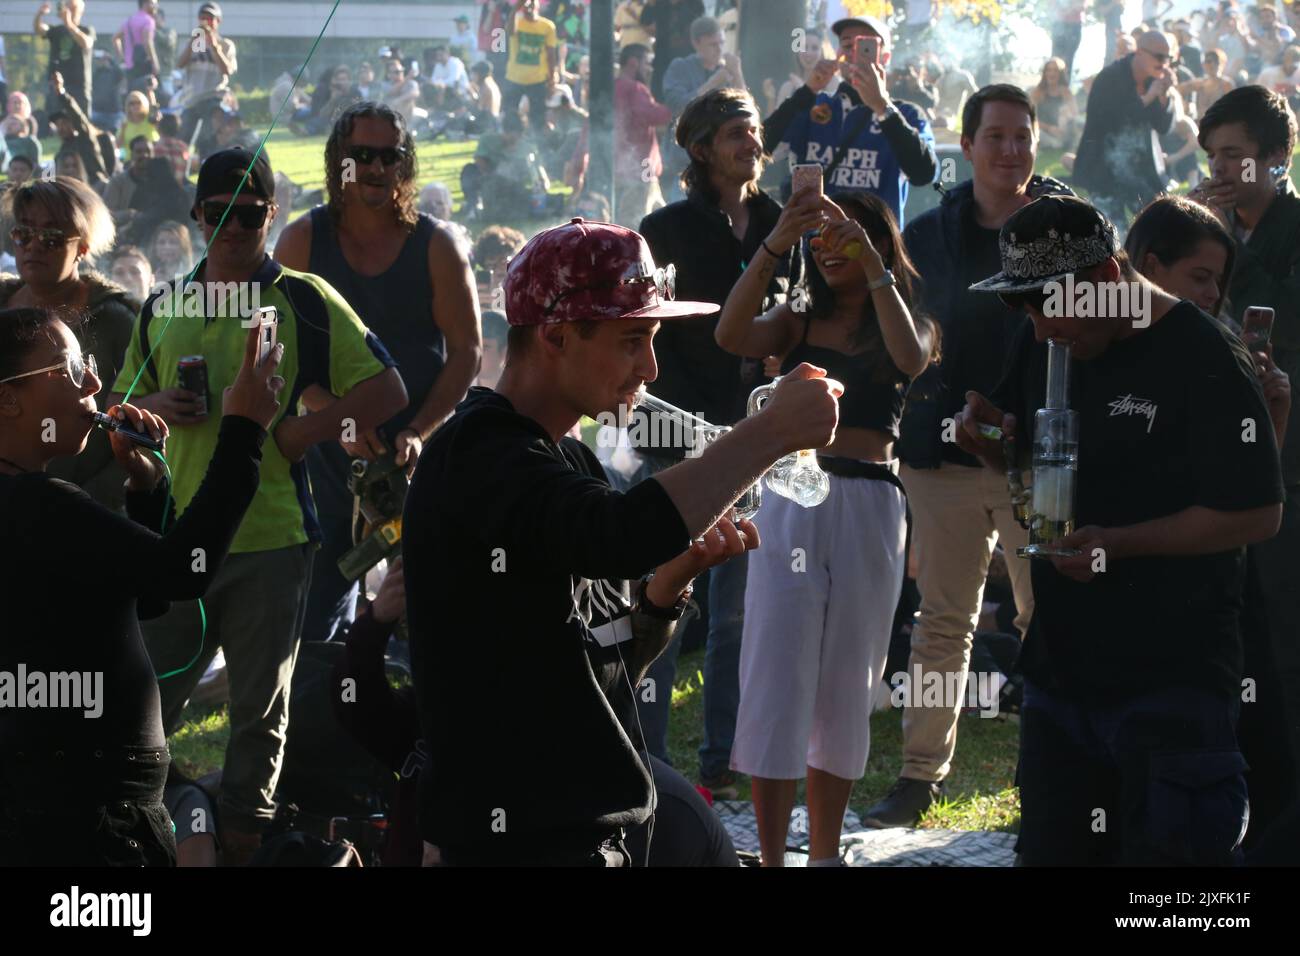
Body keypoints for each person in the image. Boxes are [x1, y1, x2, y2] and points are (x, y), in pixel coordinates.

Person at [402, 215, 841, 865]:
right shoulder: (477, 455)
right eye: (633, 339)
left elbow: (600, 671)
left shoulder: (568, 464)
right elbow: (621, 535)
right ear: (554, 336)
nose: (652, 367)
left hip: (584, 823)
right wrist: (770, 433)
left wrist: (663, 594)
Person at [957, 195, 1283, 865]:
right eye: (1023, 307)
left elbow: (1256, 511)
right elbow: (1035, 474)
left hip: (1172, 686)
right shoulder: (1046, 339)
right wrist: (992, 445)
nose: (1040, 327)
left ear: (1109, 282)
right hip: (1061, 676)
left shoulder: (1204, 354)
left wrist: (1120, 543)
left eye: (1047, 305)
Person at [106, 146, 408, 864]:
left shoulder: (303, 297)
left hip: (273, 538)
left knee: (258, 712)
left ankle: (239, 841)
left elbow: (389, 390)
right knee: (146, 692)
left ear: (271, 215)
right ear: (197, 217)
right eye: (220, 214)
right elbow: (116, 409)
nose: (234, 228)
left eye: (250, 214)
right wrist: (151, 408)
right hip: (178, 538)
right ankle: (145, 820)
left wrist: (303, 431)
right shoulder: (164, 303)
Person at [0, 308, 286, 866]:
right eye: (70, 368)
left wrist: (147, 489)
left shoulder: (29, 503)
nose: (94, 382)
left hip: (55, 800)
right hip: (87, 821)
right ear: (8, 398)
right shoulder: (39, 505)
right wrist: (245, 430)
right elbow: (186, 570)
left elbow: (146, 594)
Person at [867, 85, 1068, 828]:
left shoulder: (1067, 229)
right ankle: (920, 774)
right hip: (940, 454)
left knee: (1045, 616)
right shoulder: (928, 235)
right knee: (940, 623)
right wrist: (949, 409)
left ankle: (1054, 773)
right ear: (967, 144)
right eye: (996, 137)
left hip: (1034, 457)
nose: (1010, 150)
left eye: (1022, 136)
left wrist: (1011, 420)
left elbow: (1088, 335)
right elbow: (906, 339)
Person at [717, 189, 934, 864]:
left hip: (871, 501)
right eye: (822, 238)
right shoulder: (798, 315)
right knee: (777, 669)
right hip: (794, 493)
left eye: (846, 235)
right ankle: (776, 856)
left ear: (874, 242)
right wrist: (777, 241)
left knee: (849, 679)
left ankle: (826, 855)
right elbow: (730, 333)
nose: (829, 247)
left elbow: (910, 359)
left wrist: (873, 266)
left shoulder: (903, 312)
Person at [633, 87, 803, 792]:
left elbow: (797, 312)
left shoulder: (779, 220)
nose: (752, 145)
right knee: (661, 593)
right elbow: (650, 327)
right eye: (736, 133)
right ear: (700, 148)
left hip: (752, 432)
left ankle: (725, 760)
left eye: (756, 132)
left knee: (737, 608)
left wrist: (777, 358)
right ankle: (645, 757)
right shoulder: (664, 227)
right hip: (675, 432)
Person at [275, 102, 481, 645]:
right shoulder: (301, 242)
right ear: (337, 162)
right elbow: (277, 352)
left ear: (405, 165)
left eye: (390, 156)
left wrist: (420, 430)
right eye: (361, 155)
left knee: (437, 601)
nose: (374, 168)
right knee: (318, 604)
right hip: (328, 453)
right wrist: (333, 414)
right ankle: (323, 709)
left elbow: (467, 352)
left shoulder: (438, 245)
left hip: (420, 452)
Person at [1189, 83, 1300, 833]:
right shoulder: (1208, 236)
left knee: (1286, 654)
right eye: (1213, 157)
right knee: (1234, 657)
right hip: (1222, 478)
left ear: (1276, 158)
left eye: (1237, 156)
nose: (1223, 170)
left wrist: (1225, 247)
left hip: (1292, 477)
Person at [0, 178, 136, 512]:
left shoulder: (118, 320)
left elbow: (132, 427)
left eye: (51, 237)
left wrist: (85, 504)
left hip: (88, 513)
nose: (33, 245)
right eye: (23, 233)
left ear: (83, 248)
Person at [763, 14, 937, 228]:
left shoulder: (906, 114)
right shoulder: (812, 106)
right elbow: (760, 147)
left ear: (885, 57)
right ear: (837, 55)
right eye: (846, 45)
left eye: (865, 46)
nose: (854, 54)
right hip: (814, 247)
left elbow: (924, 174)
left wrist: (882, 107)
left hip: (875, 253)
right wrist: (807, 91)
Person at [1072, 29, 1178, 221]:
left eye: (1168, 58)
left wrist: (1164, 96)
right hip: (1104, 168)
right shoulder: (1110, 77)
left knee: (1157, 225)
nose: (1164, 63)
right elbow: (1111, 122)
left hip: (1140, 170)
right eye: (1159, 56)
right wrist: (1148, 97)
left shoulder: (1155, 80)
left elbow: (1164, 128)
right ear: (1139, 52)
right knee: (1112, 232)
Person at [660, 17, 744, 196]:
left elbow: (745, 110)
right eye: (713, 44)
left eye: (721, 42)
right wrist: (713, 82)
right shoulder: (680, 67)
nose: (719, 49)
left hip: (718, 164)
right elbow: (678, 107)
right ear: (696, 43)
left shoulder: (726, 72)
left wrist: (737, 73)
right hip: (684, 165)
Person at [614, 44, 672, 226]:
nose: (650, 68)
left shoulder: (611, 88)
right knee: (637, 224)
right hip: (642, 169)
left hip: (625, 168)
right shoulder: (635, 88)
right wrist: (674, 109)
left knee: (661, 217)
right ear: (633, 63)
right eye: (647, 63)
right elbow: (653, 115)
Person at [176, 2, 237, 141]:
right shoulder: (191, 44)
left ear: (218, 21)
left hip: (214, 97)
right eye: (202, 18)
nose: (206, 22)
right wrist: (192, 43)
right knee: (184, 137)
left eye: (209, 18)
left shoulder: (226, 44)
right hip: (192, 99)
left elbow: (227, 70)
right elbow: (179, 64)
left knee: (209, 138)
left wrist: (215, 46)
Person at [33, 0, 96, 119]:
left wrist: (70, 25)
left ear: (80, 11)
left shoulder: (87, 30)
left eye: (73, 9)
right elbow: (39, 29)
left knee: (81, 120)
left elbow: (86, 43)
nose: (70, 12)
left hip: (79, 86)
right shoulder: (57, 31)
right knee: (58, 120)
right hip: (57, 84)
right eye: (68, 8)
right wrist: (40, 14)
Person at [503, 0, 559, 126]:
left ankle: (539, 143)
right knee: (510, 113)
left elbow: (551, 55)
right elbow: (510, 31)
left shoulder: (547, 26)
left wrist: (552, 80)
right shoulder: (517, 22)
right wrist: (516, 8)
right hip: (514, 79)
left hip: (537, 80)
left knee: (538, 117)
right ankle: (510, 139)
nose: (530, 5)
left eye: (533, 2)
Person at [48, 71, 108, 189]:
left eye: (65, 122)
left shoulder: (85, 140)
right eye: (58, 124)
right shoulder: (60, 153)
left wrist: (62, 94)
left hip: (94, 190)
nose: (61, 127)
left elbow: (78, 119)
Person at [639, 0, 706, 99]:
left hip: (687, 55)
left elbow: (700, 21)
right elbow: (645, 20)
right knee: (659, 95)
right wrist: (650, 4)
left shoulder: (694, 3)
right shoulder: (659, 3)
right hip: (663, 57)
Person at [1032, 58, 1081, 151]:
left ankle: (1071, 144)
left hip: (1062, 132)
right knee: (1045, 138)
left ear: (1060, 74)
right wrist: (1049, 128)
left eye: (1055, 70)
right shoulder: (1037, 92)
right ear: (1045, 73)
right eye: (1049, 70)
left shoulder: (1066, 92)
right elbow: (1030, 119)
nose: (1052, 74)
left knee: (1080, 123)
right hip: (1042, 130)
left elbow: (1075, 115)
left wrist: (1065, 118)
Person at [103, 134, 153, 218]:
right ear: (131, 155)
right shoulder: (117, 182)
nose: (144, 155)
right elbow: (107, 215)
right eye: (139, 152)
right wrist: (130, 215)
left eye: (148, 151)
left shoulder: (160, 182)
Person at [1178, 47, 1234, 118]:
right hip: (1201, 123)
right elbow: (1177, 89)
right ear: (1203, 64)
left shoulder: (1226, 84)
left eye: (1216, 61)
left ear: (1222, 63)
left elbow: (1233, 108)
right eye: (1208, 61)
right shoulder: (1200, 83)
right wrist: (1187, 104)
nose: (1212, 64)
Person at [115, 0, 160, 84]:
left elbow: (115, 38)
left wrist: (121, 57)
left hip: (129, 66)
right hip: (143, 65)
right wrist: (155, 62)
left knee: (132, 93)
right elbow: (148, 42)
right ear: (145, 3)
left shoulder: (128, 21)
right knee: (147, 92)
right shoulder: (149, 21)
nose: (156, 6)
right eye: (154, 3)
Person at [2, 92, 42, 168]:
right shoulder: (4, 122)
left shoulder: (30, 138)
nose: (17, 106)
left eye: (20, 103)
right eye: (14, 103)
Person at [425, 45, 471, 111]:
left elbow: (453, 81)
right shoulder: (438, 65)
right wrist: (439, 84)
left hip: (460, 93)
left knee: (441, 87)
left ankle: (441, 109)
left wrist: (440, 83)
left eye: (441, 55)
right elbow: (433, 80)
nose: (439, 57)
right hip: (446, 92)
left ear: (447, 54)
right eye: (437, 55)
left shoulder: (456, 63)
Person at [117, 91, 159, 163]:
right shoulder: (125, 123)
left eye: (138, 102)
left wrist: (150, 91)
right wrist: (123, 130)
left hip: (150, 160)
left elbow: (153, 110)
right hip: (129, 162)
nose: (135, 106)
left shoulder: (150, 120)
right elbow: (118, 146)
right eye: (132, 103)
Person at [1051, 0, 1087, 81]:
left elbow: (1082, 6)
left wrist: (1069, 9)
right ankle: (1050, 89)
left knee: (1068, 60)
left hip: (1074, 26)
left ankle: (1064, 88)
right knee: (1055, 59)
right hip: (1058, 24)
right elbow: (1052, 5)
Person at [380, 58, 421, 128]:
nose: (400, 73)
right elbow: (392, 92)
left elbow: (415, 93)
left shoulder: (411, 83)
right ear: (389, 74)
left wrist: (400, 100)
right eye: (396, 72)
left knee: (408, 101)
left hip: (410, 114)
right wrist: (408, 77)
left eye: (401, 71)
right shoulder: (385, 85)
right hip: (390, 115)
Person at [152, 112, 191, 184]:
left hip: (159, 188)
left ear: (159, 128)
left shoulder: (154, 147)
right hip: (178, 188)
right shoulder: (183, 147)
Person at [469, 60, 502, 130]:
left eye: (474, 74)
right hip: (493, 119)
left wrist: (471, 93)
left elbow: (480, 109)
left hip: (487, 122)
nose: (472, 77)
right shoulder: (490, 82)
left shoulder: (485, 87)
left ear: (481, 74)